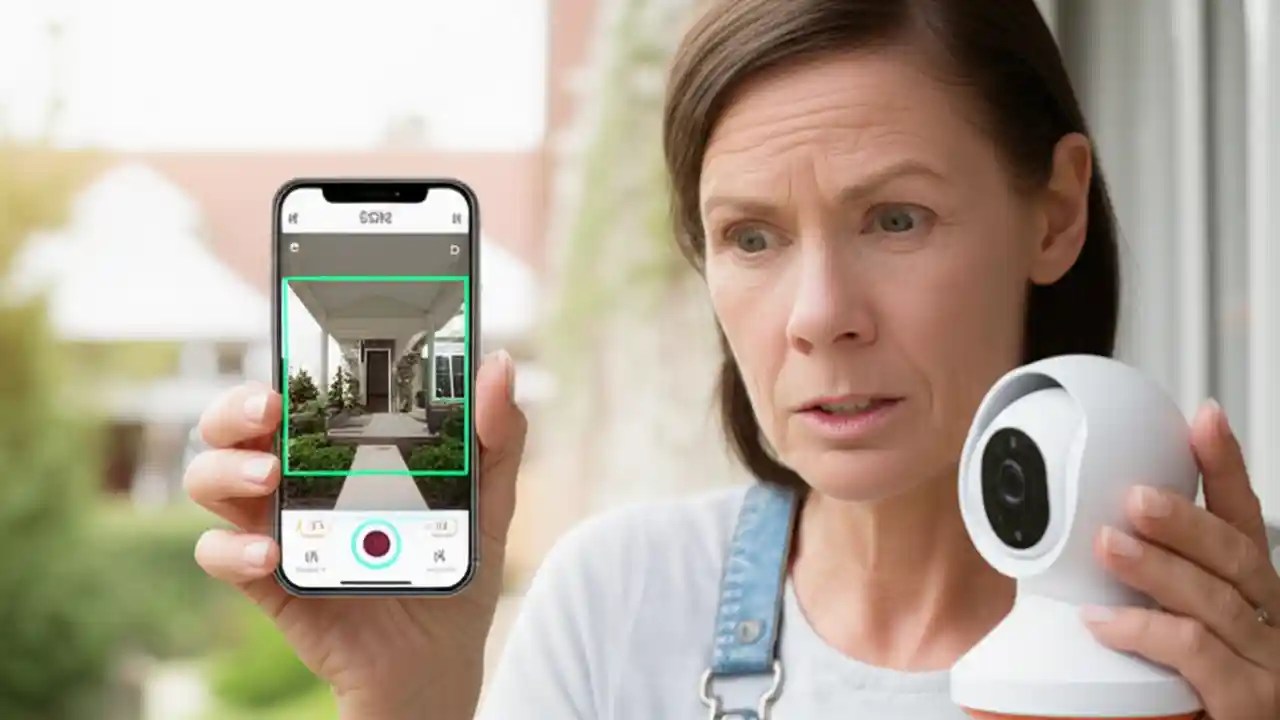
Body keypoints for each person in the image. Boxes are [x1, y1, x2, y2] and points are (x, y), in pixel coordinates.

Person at [185, 1, 1280, 718]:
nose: (817, 316)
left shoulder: (1235, 644)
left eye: (894, 219)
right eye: (751, 239)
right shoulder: (616, 605)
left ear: (1052, 210)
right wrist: (408, 694)